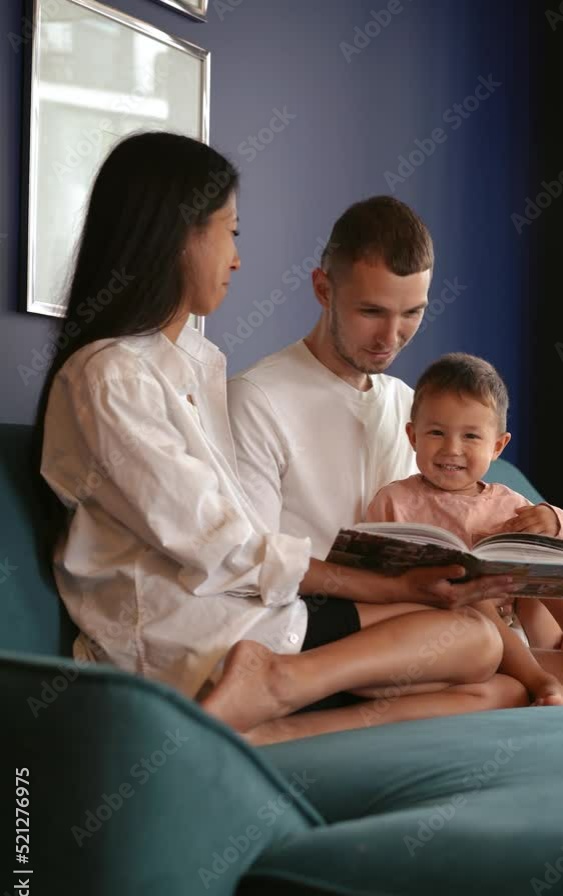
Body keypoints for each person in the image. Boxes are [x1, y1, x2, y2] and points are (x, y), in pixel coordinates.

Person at [36, 133, 524, 747]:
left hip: (254, 609)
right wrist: (388, 588)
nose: (236, 258)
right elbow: (222, 546)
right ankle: (271, 692)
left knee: (490, 665)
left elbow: (235, 541)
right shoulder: (110, 375)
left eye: (412, 313)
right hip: (188, 623)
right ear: (176, 238)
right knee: (475, 644)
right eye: (230, 232)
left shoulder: (196, 362)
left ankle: (273, 728)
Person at [227, 196, 430, 559]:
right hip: (305, 611)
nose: (390, 336)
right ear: (323, 289)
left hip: (405, 605)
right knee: (469, 621)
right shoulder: (256, 400)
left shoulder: (411, 405)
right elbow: (249, 567)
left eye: (412, 313)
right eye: (372, 311)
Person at [366, 352, 563, 704]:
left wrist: (552, 517)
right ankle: (538, 682)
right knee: (467, 582)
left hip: (520, 634)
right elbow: (373, 577)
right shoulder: (394, 500)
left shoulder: (509, 502)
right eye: (436, 433)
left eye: (471, 436)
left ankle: (539, 676)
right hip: (454, 635)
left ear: (498, 446)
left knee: (544, 547)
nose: (452, 449)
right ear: (413, 437)